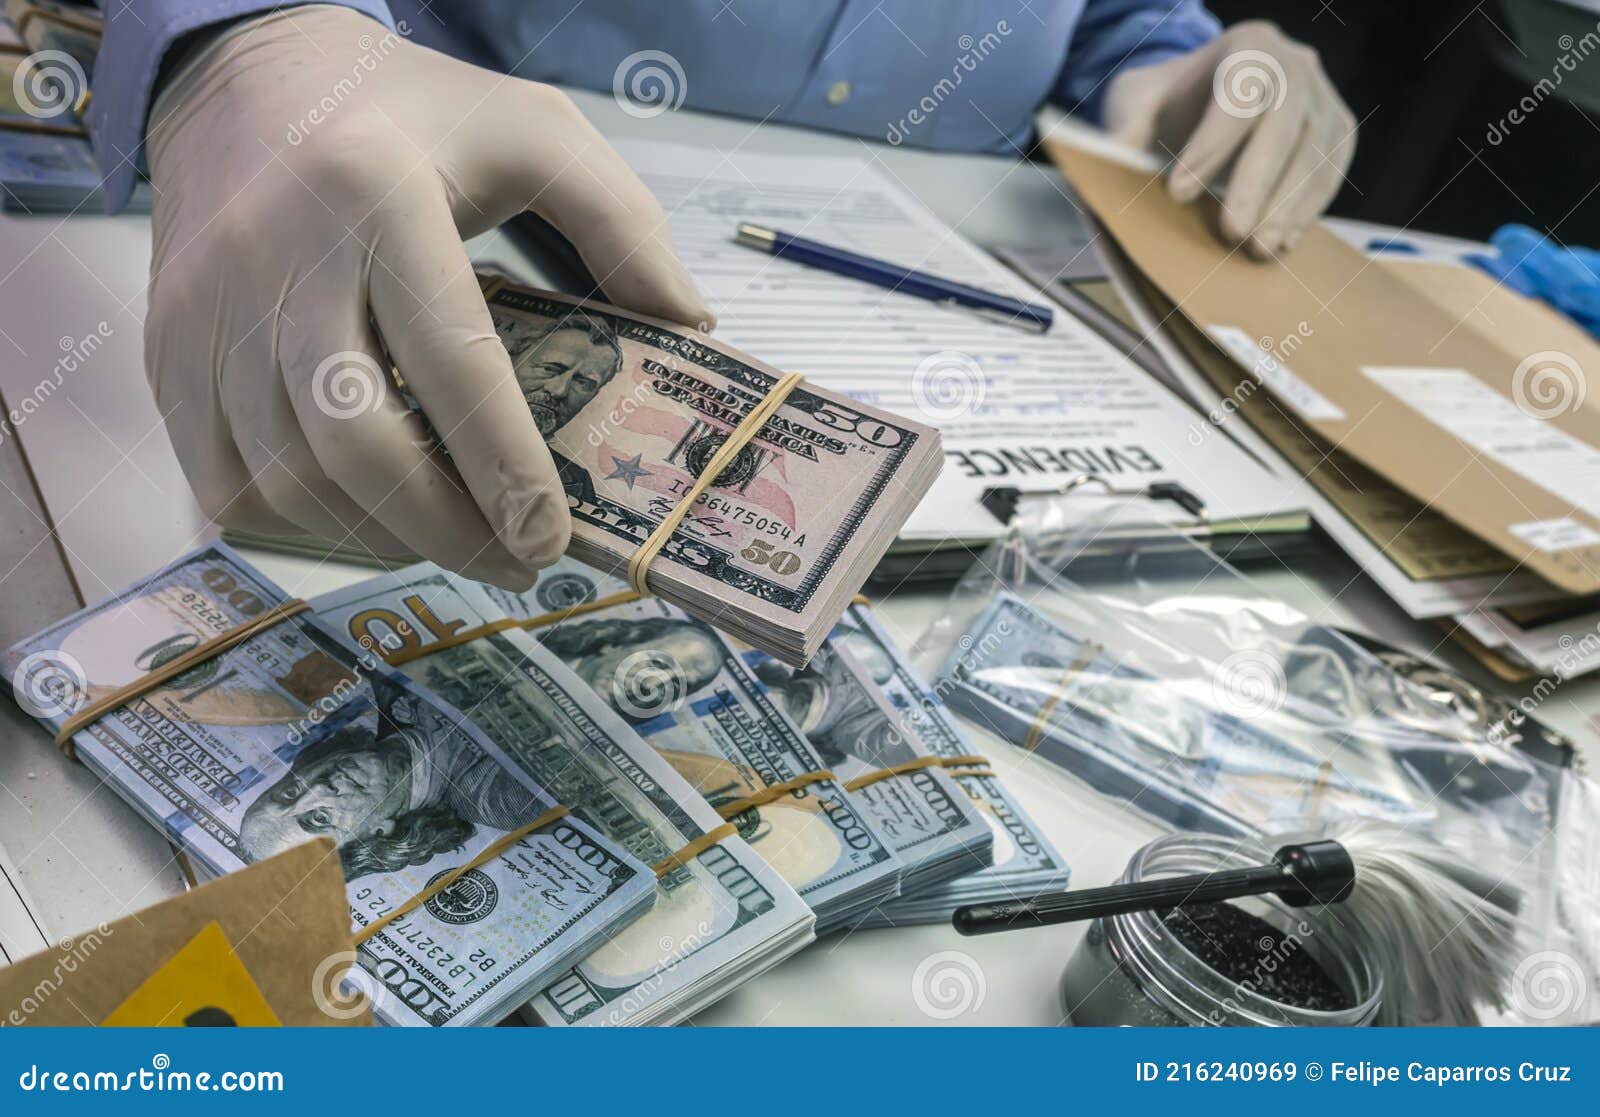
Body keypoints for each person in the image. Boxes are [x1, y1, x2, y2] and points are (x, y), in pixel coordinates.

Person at [92, 3, 1356, 590]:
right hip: (395, 294)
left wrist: (1186, 71)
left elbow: (1110, 26)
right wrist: (247, 41)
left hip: (985, 388)